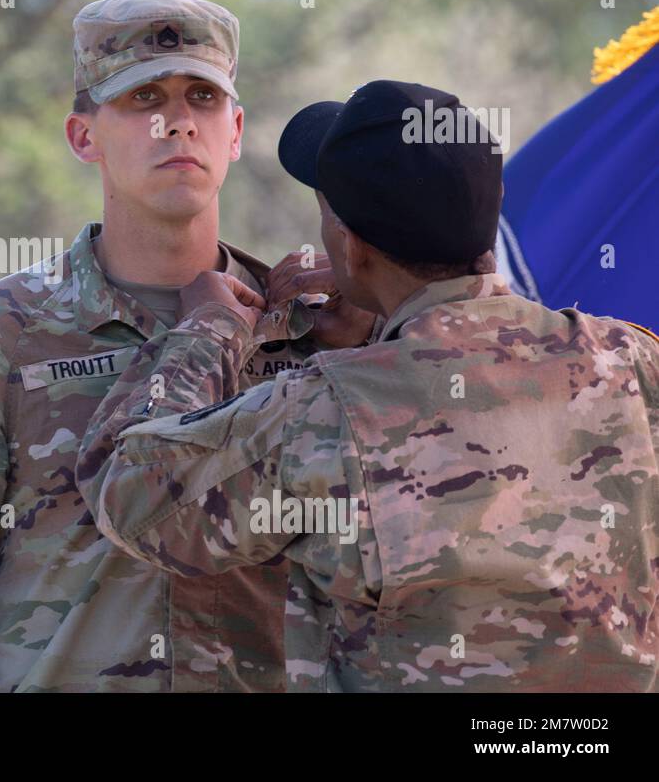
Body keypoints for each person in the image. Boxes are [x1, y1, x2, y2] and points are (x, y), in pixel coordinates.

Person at [0, 0, 374, 692]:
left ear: (235, 131)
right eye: (144, 96)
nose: (178, 121)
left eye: (203, 98)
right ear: (84, 136)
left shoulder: (312, 330)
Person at [77, 79, 659, 691]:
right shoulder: (631, 361)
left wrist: (206, 331)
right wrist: (386, 316)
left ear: (350, 249)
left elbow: (133, 496)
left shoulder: (324, 414)